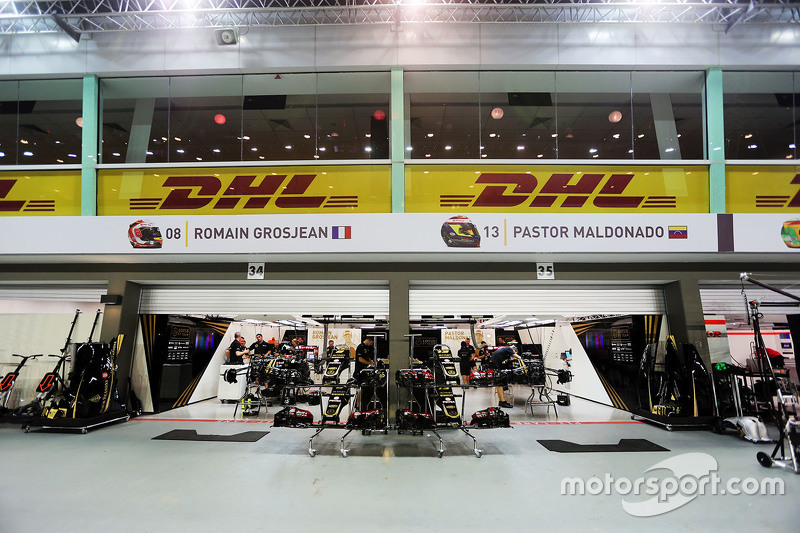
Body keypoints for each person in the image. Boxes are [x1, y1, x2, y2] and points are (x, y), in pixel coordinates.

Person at [490, 344, 521, 408]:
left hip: (494, 364)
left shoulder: (504, 350)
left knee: (499, 384)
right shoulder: (509, 349)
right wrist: (522, 359)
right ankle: (502, 402)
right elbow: (518, 357)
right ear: (514, 350)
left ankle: (501, 401)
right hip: (496, 365)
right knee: (499, 384)